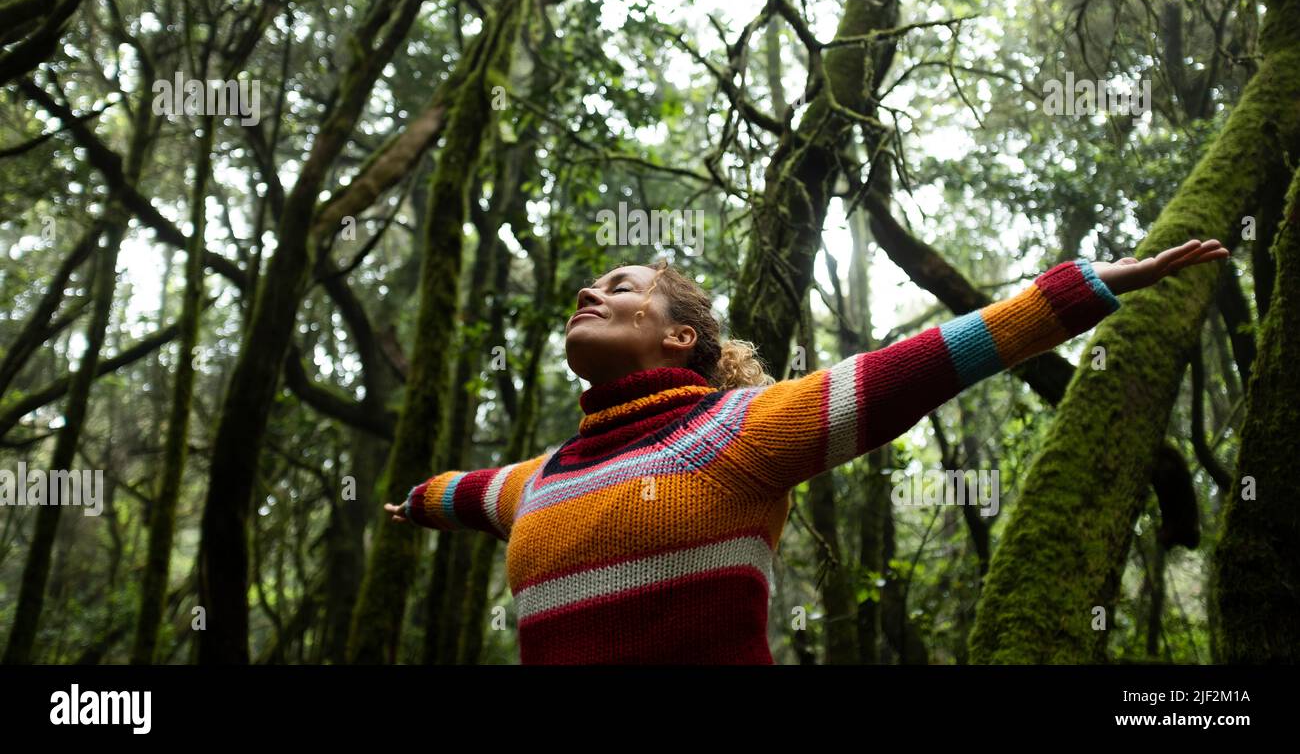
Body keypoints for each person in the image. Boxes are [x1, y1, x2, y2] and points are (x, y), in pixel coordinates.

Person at [385, 238, 1228, 663]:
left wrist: (1088, 286)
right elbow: (467, 490)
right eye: (593, 286)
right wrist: (419, 499)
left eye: (619, 287)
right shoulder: (538, 483)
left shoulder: (736, 433)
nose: (586, 291)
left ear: (681, 335)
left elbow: (920, 366)